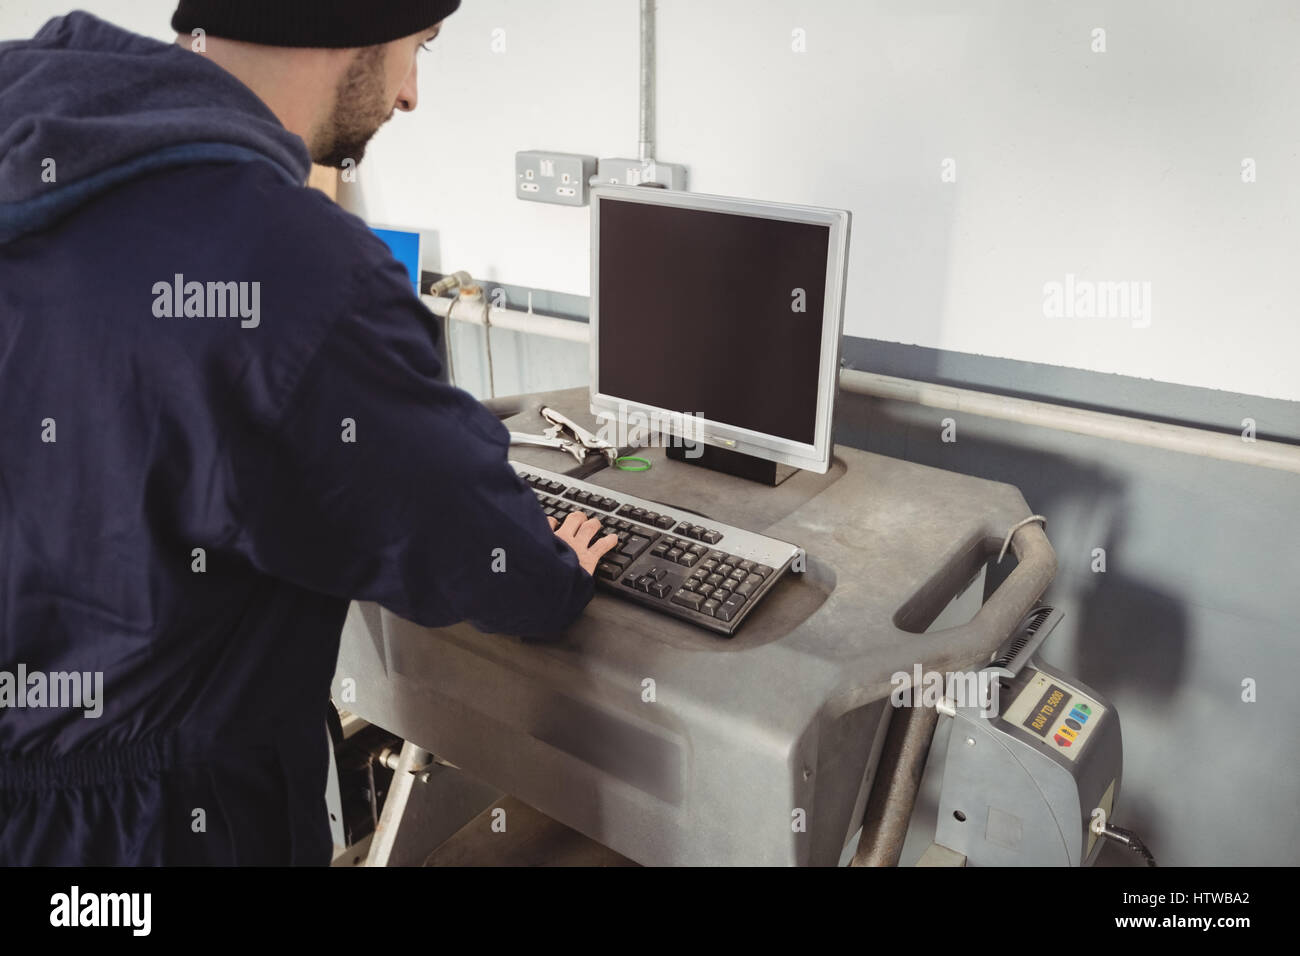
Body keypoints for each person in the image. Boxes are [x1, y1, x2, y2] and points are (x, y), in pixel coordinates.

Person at [0, 1, 617, 865]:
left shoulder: (35, 153)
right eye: (419, 47)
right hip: (149, 829)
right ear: (350, 26)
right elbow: (467, 541)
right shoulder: (295, 264)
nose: (409, 95)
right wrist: (549, 572)